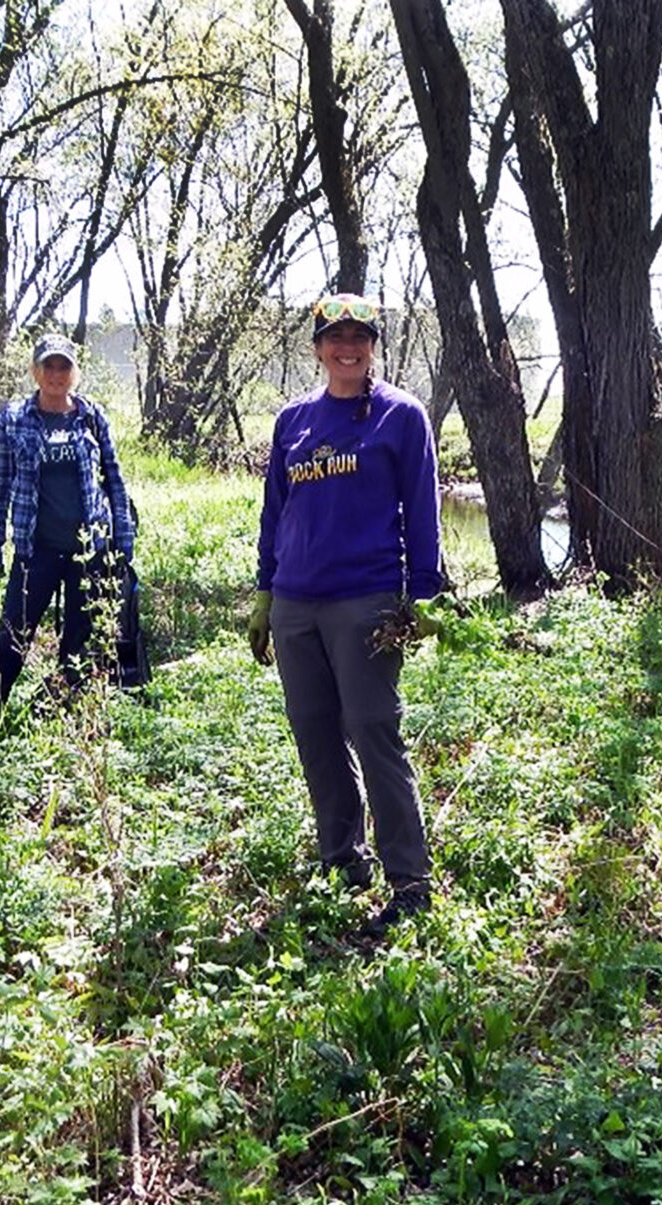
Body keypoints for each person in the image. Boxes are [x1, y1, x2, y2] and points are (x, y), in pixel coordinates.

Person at [249, 293, 442, 937]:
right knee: (316, 735)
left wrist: (423, 592)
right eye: (335, 337)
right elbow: (276, 512)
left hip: (366, 600)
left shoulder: (400, 416)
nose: (347, 347)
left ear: (374, 346)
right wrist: (265, 592)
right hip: (296, 602)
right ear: (317, 349)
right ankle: (342, 861)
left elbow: (422, 507)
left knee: (372, 730)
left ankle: (409, 881)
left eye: (359, 336)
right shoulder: (294, 421)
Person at [0, 334, 137, 714]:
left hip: (89, 550)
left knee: (80, 641)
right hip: (37, 548)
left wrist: (123, 536)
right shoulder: (13, 419)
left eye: (64, 366)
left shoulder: (91, 416)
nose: (56, 374)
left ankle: (63, 713)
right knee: (14, 632)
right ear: (36, 371)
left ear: (74, 372)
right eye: (49, 365)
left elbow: (114, 479)